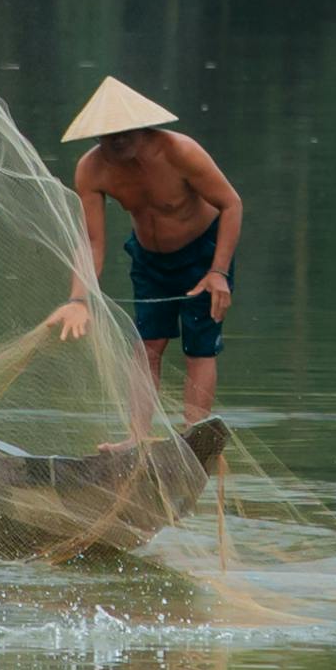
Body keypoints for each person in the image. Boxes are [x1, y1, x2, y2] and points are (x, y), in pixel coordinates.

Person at [51, 76, 241, 422]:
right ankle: (137, 439)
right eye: (110, 134)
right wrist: (78, 298)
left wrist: (219, 272)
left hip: (203, 255)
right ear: (97, 137)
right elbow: (92, 241)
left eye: (127, 131)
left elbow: (231, 204)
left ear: (143, 127)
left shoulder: (180, 152)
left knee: (198, 348)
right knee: (146, 348)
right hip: (149, 260)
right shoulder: (91, 170)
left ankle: (193, 436)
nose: (120, 139)